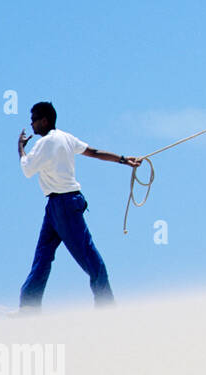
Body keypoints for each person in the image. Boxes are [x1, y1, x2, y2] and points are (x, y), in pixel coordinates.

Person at [17, 101, 140, 309]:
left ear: (45, 120)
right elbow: (94, 152)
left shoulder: (44, 143)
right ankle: (28, 307)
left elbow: (27, 169)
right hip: (58, 206)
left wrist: (20, 147)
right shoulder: (66, 137)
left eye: (34, 119)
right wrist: (122, 159)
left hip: (63, 206)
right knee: (43, 257)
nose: (31, 124)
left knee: (87, 257)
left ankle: (106, 305)